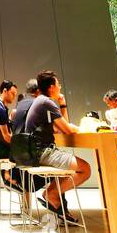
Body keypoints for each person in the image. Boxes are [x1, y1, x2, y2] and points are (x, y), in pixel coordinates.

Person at [23, 70, 92, 223]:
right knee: (85, 169)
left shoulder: (42, 101)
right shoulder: (46, 102)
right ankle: (52, 194)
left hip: (36, 151)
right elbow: (67, 129)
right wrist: (81, 128)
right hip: (43, 151)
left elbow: (60, 128)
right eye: (58, 84)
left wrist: (62, 105)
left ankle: (52, 193)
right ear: (52, 86)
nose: (60, 87)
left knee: (78, 168)